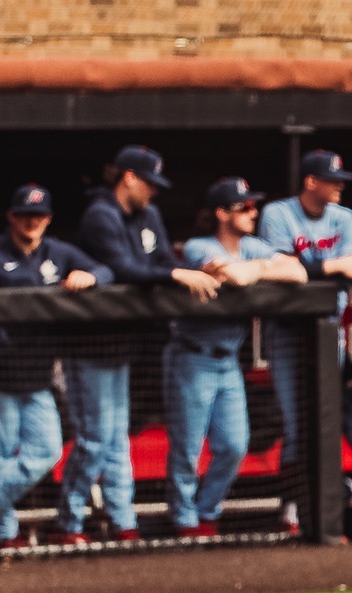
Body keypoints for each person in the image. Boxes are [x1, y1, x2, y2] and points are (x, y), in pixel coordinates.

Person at [68, 145, 222, 545]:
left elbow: (158, 261)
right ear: (128, 178)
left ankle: (123, 521)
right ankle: (68, 521)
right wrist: (176, 274)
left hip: (124, 340)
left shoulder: (148, 215)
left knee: (116, 434)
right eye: (149, 182)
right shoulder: (100, 214)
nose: (154, 191)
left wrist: (188, 271)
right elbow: (127, 268)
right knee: (97, 438)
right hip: (90, 340)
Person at [0, 184, 112, 549]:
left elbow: (105, 270)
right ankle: (2, 533)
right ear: (12, 217)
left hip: (39, 375)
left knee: (46, 452)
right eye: (26, 215)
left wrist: (90, 277)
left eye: (40, 215)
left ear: (49, 219)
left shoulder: (58, 252)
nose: (33, 221)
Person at [169, 177, 306, 538]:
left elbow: (298, 270)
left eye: (252, 206)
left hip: (228, 361)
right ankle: (185, 522)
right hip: (192, 356)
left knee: (234, 445)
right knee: (186, 448)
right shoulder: (200, 245)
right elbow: (229, 275)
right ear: (221, 213)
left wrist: (258, 268)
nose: (252, 212)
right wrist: (255, 271)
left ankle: (206, 511)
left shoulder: (253, 247)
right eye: (243, 207)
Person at [259, 149, 352, 536]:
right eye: (333, 179)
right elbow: (282, 271)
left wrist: (314, 268)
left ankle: (317, 500)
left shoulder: (345, 217)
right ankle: (291, 505)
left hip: (328, 331)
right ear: (310, 182)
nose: (339, 186)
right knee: (294, 421)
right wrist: (330, 267)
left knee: (322, 419)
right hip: (287, 331)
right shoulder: (278, 214)